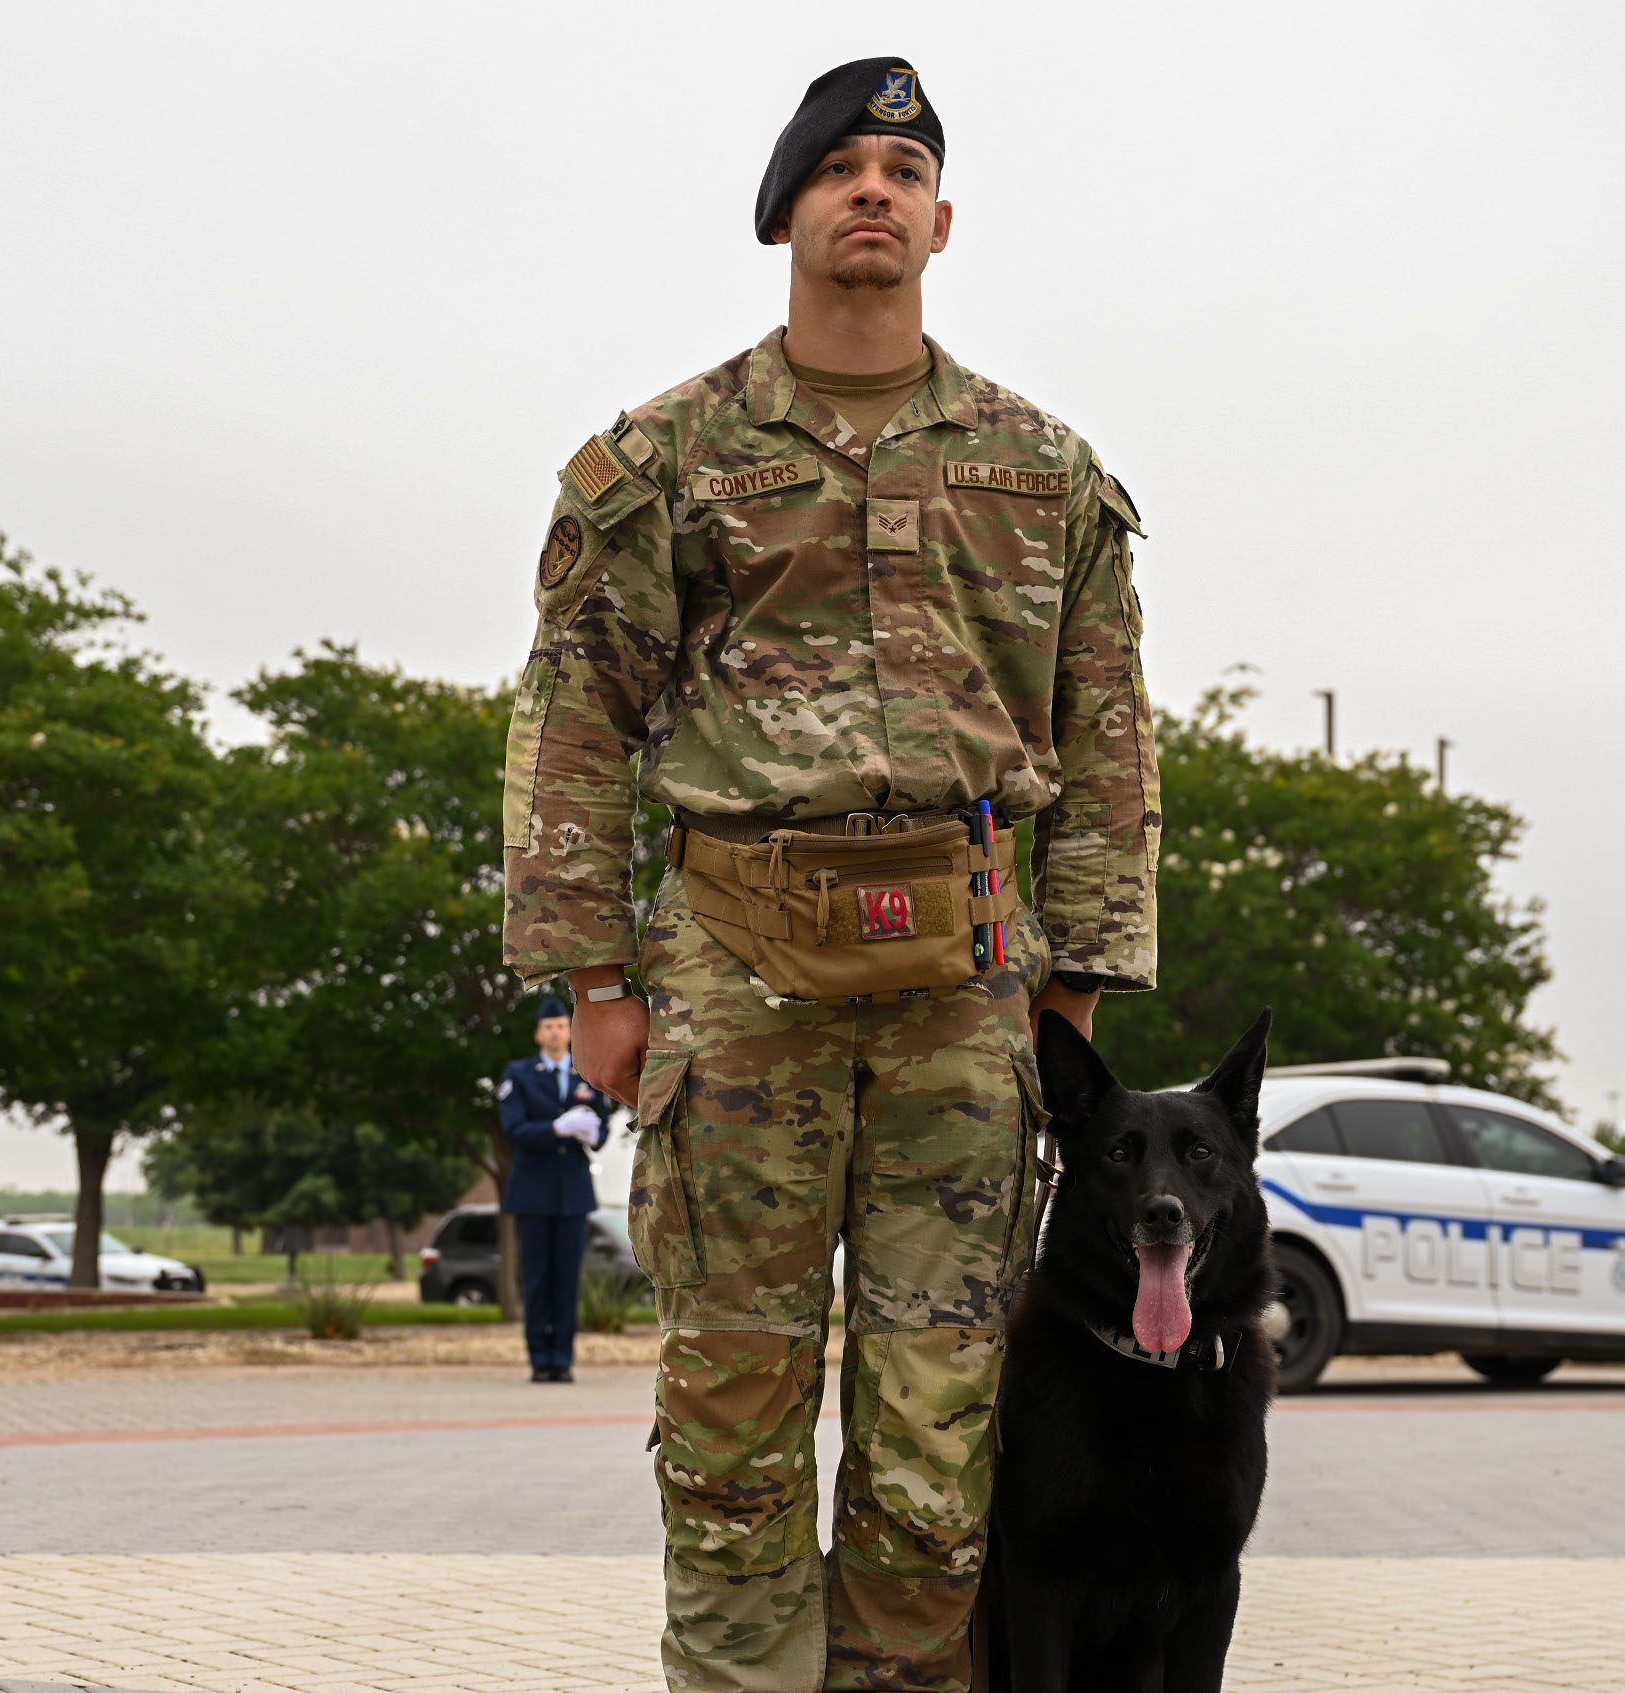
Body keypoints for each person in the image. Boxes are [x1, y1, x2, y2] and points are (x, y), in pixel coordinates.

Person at [500, 55, 1158, 1691]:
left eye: (905, 169)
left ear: (945, 222)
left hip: (965, 991)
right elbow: (574, 711)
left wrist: (1070, 992)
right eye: (840, 166)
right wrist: (592, 985)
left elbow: (1105, 735)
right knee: (731, 1420)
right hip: (736, 970)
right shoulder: (663, 459)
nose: (874, 189)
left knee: (937, 1444)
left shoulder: (1045, 474)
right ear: (783, 210)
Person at [496, 995, 608, 1383]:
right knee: (537, 1279)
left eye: (561, 1025)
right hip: (533, 1192)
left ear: (571, 1032)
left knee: (567, 1279)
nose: (555, 1032)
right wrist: (555, 1128)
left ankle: (562, 1359)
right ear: (538, 1034)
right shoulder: (520, 1073)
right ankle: (539, 1360)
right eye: (548, 1027)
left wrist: (594, 1132)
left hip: (573, 1193)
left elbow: (602, 1129)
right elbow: (514, 1129)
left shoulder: (587, 1073)